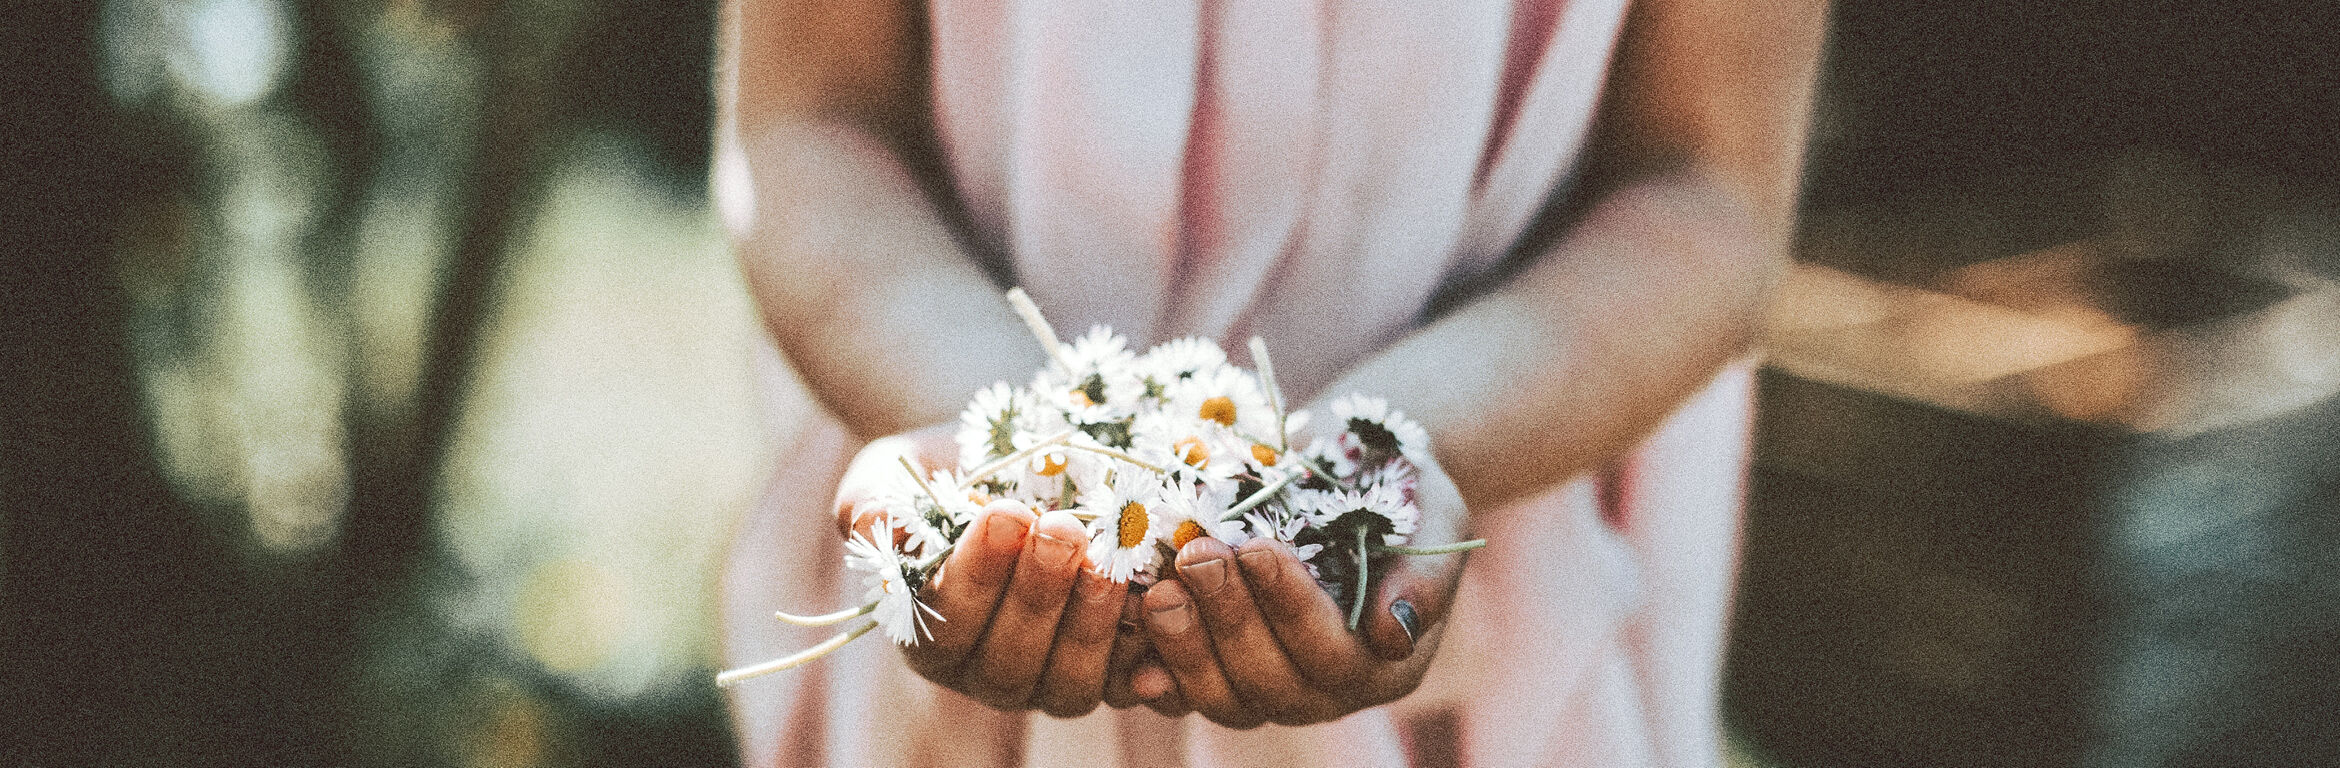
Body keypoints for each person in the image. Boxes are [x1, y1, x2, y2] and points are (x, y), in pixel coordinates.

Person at [713, 0, 1825, 764]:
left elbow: (1705, 190)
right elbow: (812, 114)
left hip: (1506, 588)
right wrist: (1004, 447)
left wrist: (1394, 452)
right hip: (951, 542)